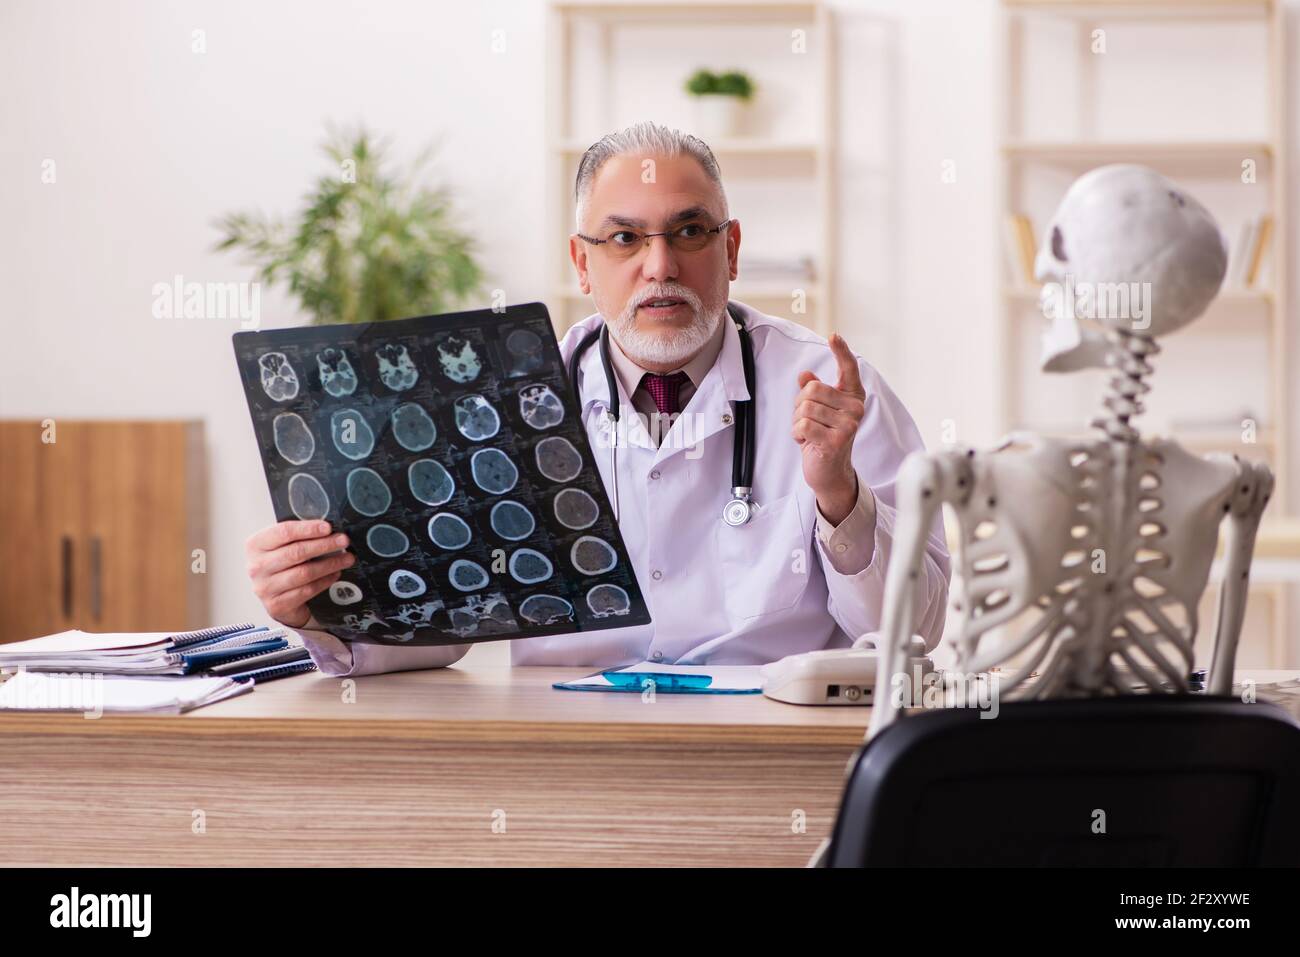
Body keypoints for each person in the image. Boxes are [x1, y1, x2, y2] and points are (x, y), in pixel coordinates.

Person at [245, 121, 950, 676]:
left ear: (731, 250)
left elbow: (916, 630)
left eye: (690, 231)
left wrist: (838, 494)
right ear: (583, 262)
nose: (660, 265)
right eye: (624, 238)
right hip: (570, 745)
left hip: (767, 739)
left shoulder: (828, 390)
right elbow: (444, 624)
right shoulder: (502, 403)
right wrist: (315, 606)